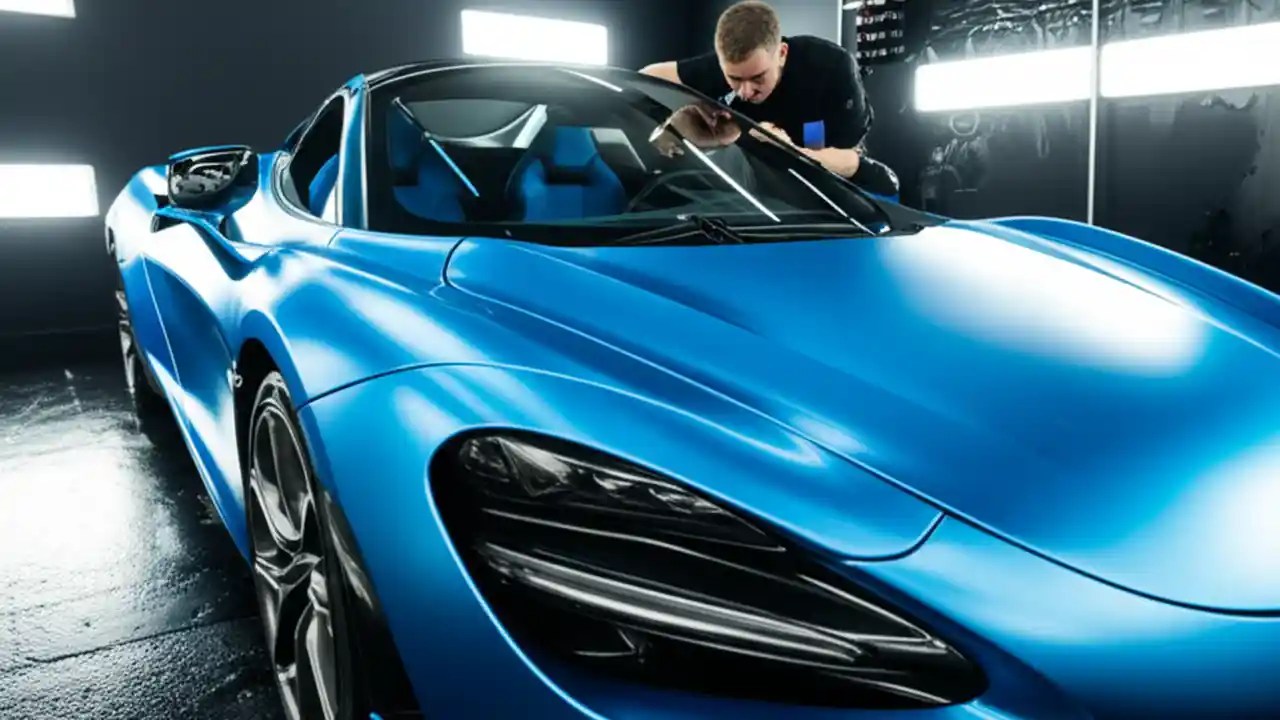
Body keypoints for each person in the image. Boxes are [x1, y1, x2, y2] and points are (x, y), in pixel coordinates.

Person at [640, 0, 874, 181]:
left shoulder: (832, 68)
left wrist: (792, 152)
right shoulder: (720, 69)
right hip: (761, 180)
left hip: (828, 170)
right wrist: (672, 119)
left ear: (781, 54)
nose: (745, 91)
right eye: (734, 78)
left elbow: (852, 162)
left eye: (757, 78)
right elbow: (647, 76)